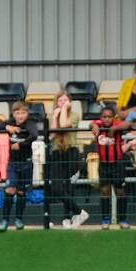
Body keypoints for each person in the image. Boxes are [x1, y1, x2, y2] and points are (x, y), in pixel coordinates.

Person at [46, 92, 87, 229]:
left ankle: (67, 217)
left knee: (68, 187)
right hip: (57, 153)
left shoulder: (74, 115)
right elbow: (52, 134)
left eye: (66, 100)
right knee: (57, 187)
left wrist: (63, 110)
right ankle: (79, 212)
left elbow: (64, 125)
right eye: (60, 100)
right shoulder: (53, 116)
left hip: (71, 152)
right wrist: (55, 116)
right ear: (56, 103)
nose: (63, 102)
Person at [0, 102, 39, 232]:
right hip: (12, 163)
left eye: (23, 113)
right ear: (13, 114)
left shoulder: (30, 124)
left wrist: (20, 145)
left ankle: (18, 220)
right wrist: (7, 127)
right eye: (17, 113)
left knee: (21, 192)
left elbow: (34, 135)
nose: (20, 116)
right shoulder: (10, 122)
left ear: (27, 114)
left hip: (26, 163)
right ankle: (5, 220)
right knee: (10, 189)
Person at [91, 104, 131, 229]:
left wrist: (114, 129)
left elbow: (128, 124)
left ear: (113, 117)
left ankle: (122, 219)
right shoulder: (98, 124)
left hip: (117, 163)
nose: (107, 119)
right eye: (104, 117)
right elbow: (90, 124)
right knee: (105, 191)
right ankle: (105, 219)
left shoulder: (117, 124)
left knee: (120, 191)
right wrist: (94, 125)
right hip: (103, 164)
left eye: (109, 117)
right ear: (101, 117)